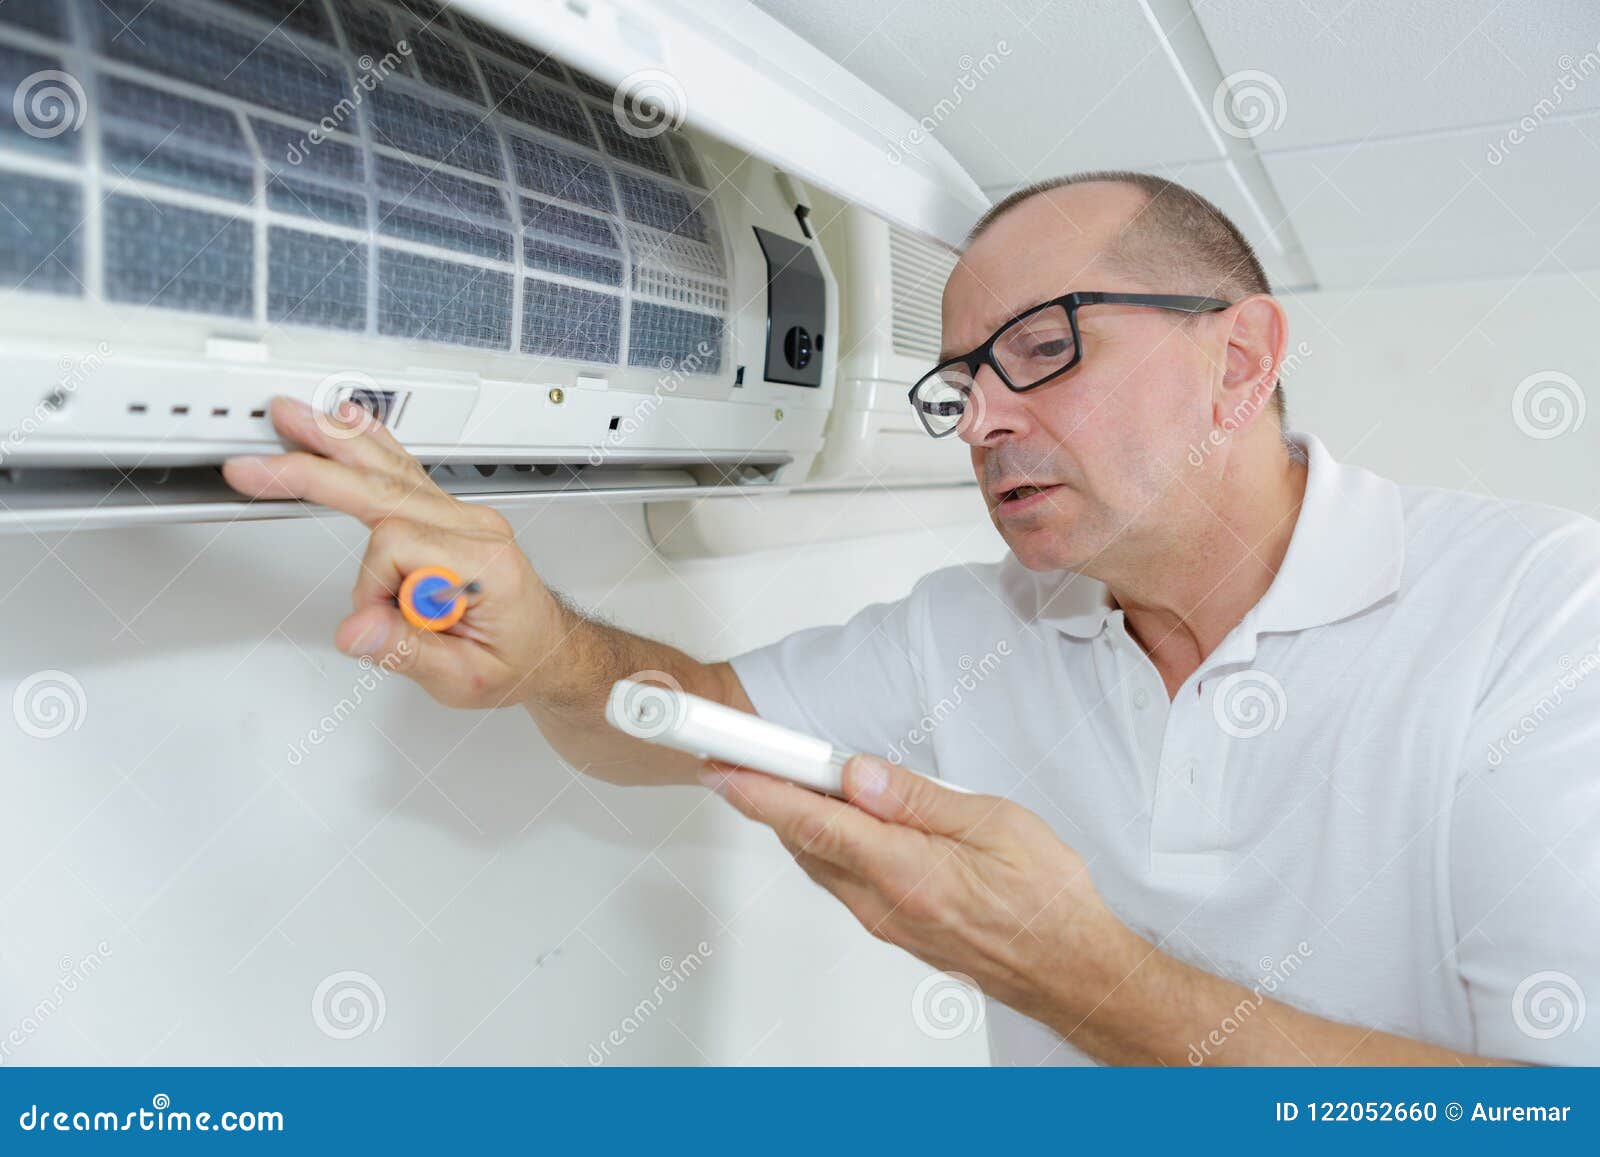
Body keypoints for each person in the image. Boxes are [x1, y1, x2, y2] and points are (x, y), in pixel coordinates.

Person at [223, 171, 1600, 1066]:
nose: (987, 419)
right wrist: (545, 647)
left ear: (1240, 359)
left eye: (1044, 349)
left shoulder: (1537, 613)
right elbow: (682, 713)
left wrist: (1092, 980)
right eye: (960, 386)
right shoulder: (979, 624)